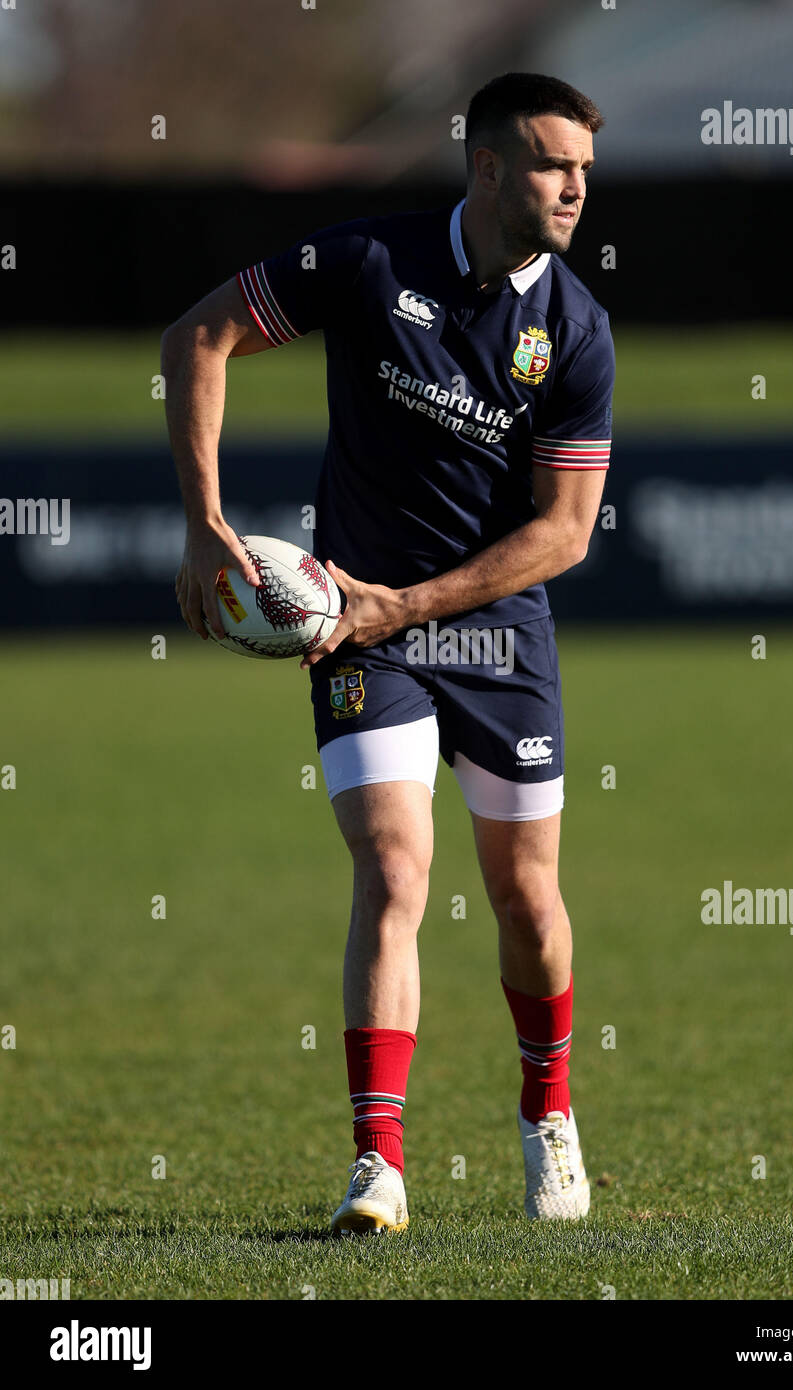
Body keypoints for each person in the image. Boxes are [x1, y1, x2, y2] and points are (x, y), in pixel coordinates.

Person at [163, 71, 614, 1234]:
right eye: (555, 165)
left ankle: (548, 1110)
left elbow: (564, 534)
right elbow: (199, 334)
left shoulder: (574, 329)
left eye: (585, 169)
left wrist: (407, 604)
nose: (576, 188)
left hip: (493, 629)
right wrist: (206, 525)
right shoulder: (369, 261)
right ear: (490, 167)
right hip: (358, 624)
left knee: (526, 897)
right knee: (396, 867)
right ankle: (379, 1162)